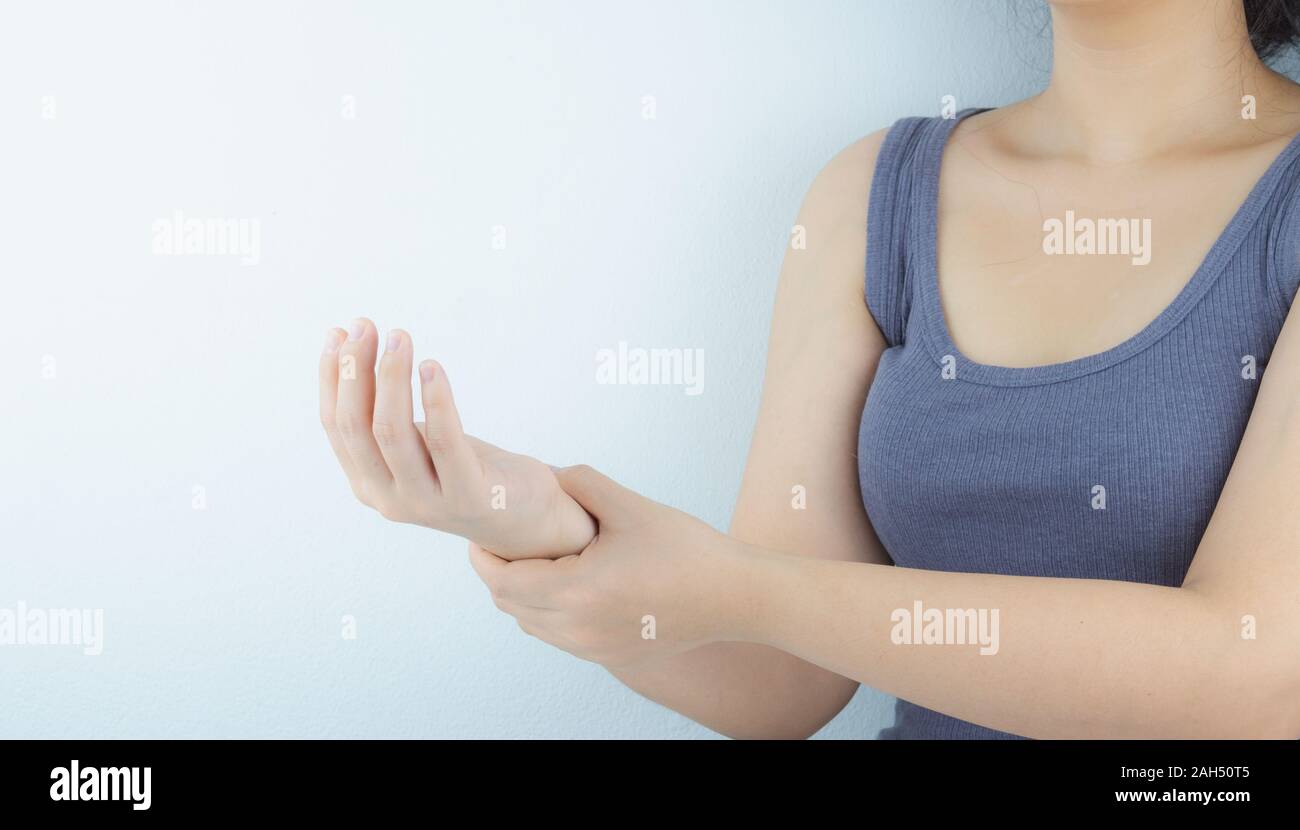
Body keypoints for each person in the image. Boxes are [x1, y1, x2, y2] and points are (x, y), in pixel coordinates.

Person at [316, 0, 1300, 738]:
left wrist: (746, 588)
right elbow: (778, 683)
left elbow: (1252, 674)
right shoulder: (871, 194)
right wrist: (544, 531)